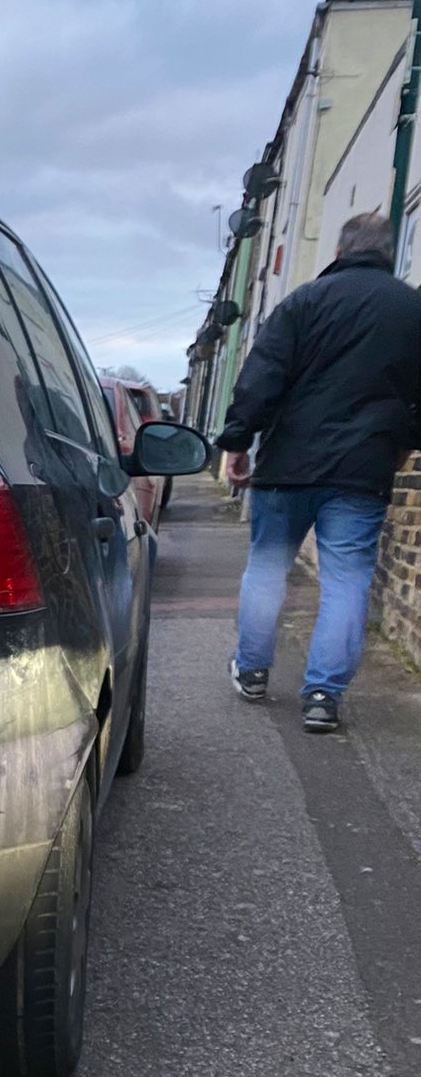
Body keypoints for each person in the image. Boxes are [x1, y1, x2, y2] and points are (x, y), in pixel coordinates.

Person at [218, 210, 421, 731]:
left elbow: (262, 375)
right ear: (389, 252)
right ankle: (322, 698)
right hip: (363, 469)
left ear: (339, 250)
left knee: (267, 568)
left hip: (287, 464)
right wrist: (403, 444)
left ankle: (252, 671)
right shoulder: (412, 310)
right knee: (346, 581)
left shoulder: (303, 301)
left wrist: (237, 441)